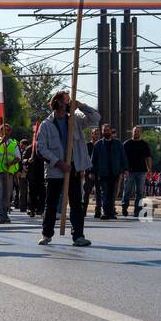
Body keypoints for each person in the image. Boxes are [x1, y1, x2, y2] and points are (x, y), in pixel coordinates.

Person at [37, 90, 100, 247]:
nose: (69, 103)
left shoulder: (75, 120)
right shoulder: (46, 124)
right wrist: (59, 163)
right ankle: (47, 234)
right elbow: (42, 149)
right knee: (51, 204)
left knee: (76, 203)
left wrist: (81, 106)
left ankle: (78, 236)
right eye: (67, 101)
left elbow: (96, 119)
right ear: (58, 102)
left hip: (73, 168)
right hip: (55, 170)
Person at [91, 124, 127, 220]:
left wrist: (125, 169)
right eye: (104, 130)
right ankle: (105, 212)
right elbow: (93, 160)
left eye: (108, 130)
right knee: (105, 192)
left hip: (115, 172)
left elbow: (123, 157)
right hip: (103, 173)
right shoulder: (98, 145)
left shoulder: (118, 144)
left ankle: (111, 212)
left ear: (111, 131)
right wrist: (92, 172)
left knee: (112, 193)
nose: (106, 132)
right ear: (102, 132)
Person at [0, 123, 19, 224]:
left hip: (8, 172)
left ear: (10, 132)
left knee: (7, 194)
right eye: (4, 130)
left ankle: (5, 214)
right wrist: (1, 142)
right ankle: (0, 215)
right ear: (0, 131)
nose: (6, 132)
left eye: (8, 130)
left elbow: (18, 157)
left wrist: (10, 163)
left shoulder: (14, 143)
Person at [122, 126, 152, 217]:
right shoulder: (126, 144)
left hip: (141, 171)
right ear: (132, 132)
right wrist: (124, 169)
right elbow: (123, 158)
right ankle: (124, 207)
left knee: (140, 192)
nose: (136, 133)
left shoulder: (144, 144)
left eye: (138, 131)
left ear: (140, 133)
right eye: (135, 131)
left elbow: (148, 157)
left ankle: (137, 210)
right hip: (129, 171)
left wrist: (150, 169)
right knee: (127, 191)